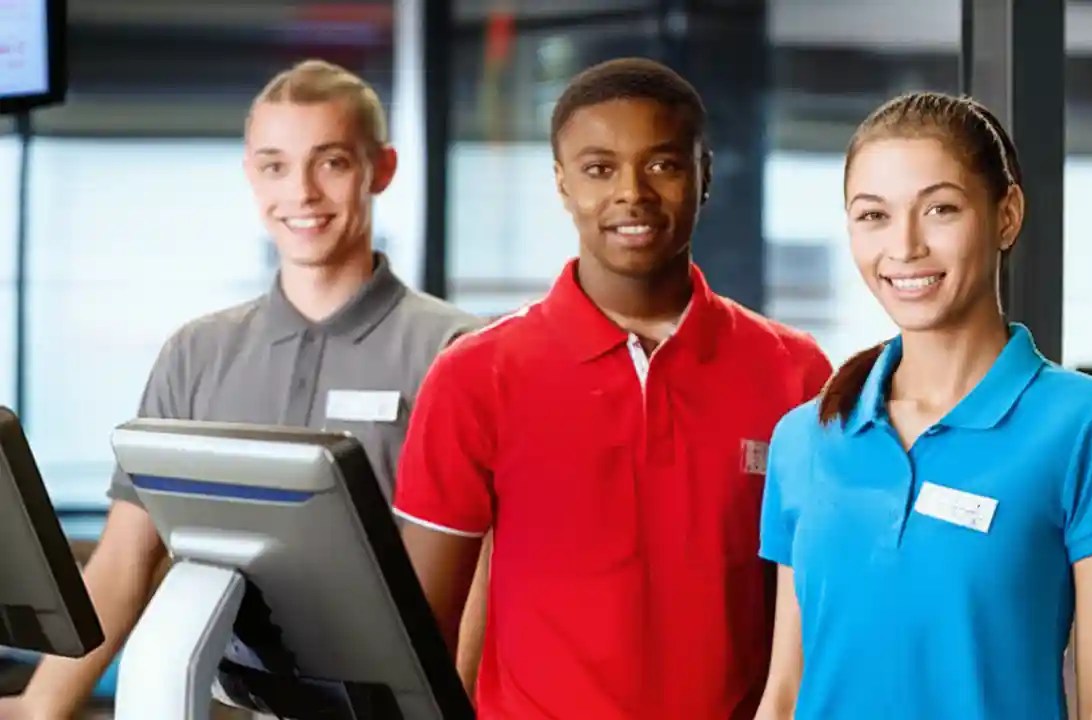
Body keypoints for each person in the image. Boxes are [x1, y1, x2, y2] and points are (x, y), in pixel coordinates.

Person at [0, 59, 482, 719]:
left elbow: (487, 575)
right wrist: (36, 708)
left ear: (382, 169)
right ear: (251, 174)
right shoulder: (197, 351)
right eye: (275, 165)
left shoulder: (458, 352)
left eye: (332, 162)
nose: (302, 193)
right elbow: (122, 561)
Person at [391, 57, 833, 720]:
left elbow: (819, 616)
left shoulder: (794, 373)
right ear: (563, 184)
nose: (632, 192)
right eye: (600, 168)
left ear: (704, 175)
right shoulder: (474, 376)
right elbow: (419, 639)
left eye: (663, 164)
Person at [753, 91, 1092, 720]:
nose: (905, 246)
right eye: (873, 216)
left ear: (1007, 215)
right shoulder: (804, 438)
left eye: (939, 209)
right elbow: (784, 692)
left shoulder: (1085, 425)